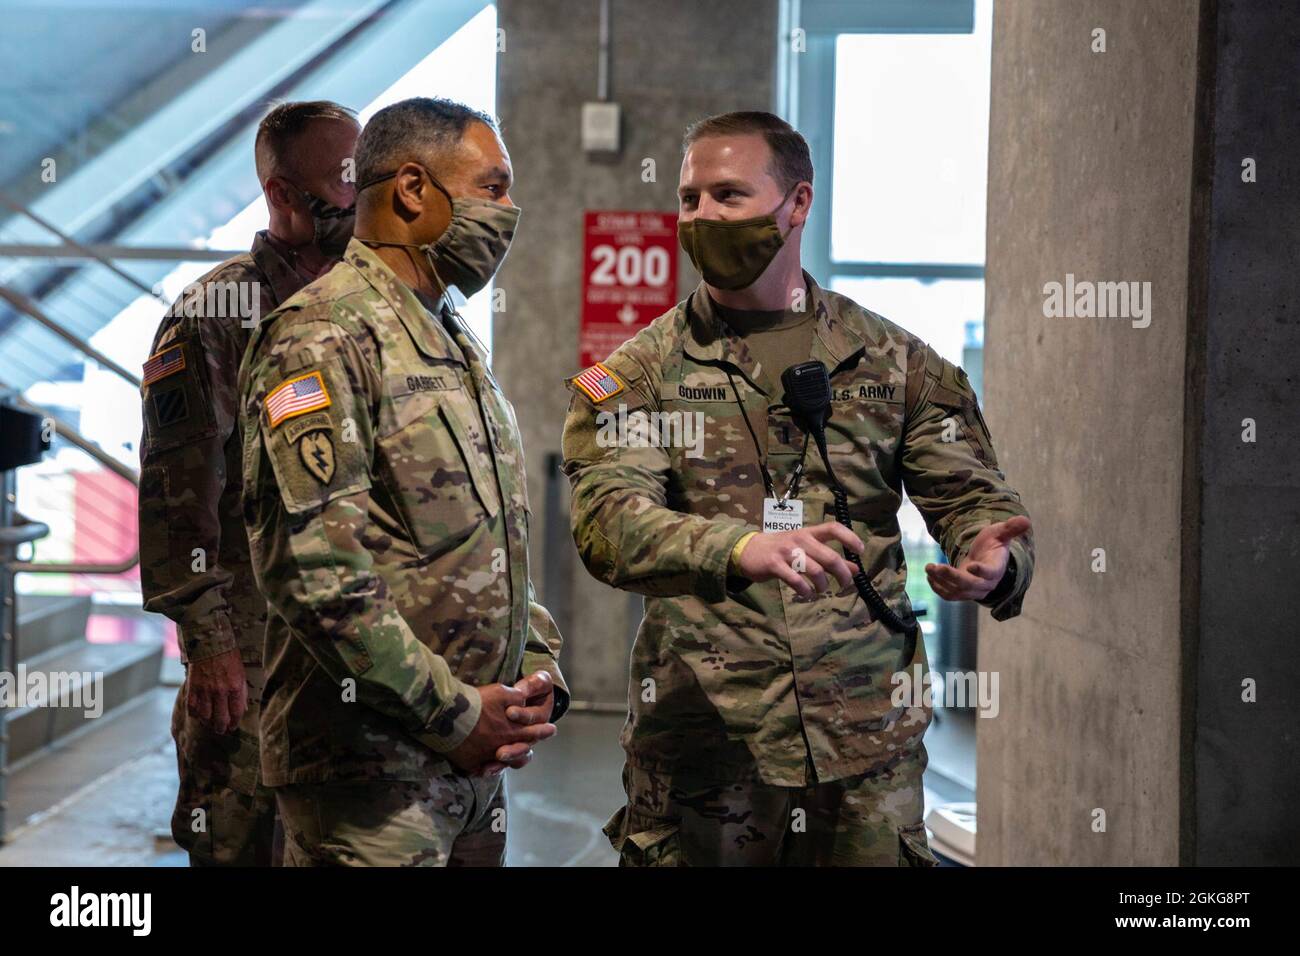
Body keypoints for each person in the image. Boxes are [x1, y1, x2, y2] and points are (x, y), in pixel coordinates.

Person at [561, 110, 1034, 866]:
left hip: (866, 750)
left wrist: (993, 559)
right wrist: (742, 547)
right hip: (706, 749)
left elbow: (972, 498)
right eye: (690, 200)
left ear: (798, 203)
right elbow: (609, 525)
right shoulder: (633, 379)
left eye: (728, 196)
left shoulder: (896, 363)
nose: (702, 217)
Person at [238, 97, 567, 867]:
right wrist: (454, 714)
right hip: (369, 780)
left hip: (470, 768)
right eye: (494, 187)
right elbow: (316, 575)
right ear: (414, 190)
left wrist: (531, 665)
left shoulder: (447, 334)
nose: (510, 211)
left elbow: (476, 539)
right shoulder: (322, 335)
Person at [138, 99, 359, 866]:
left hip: (357, 648)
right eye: (343, 185)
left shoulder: (380, 309)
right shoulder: (213, 315)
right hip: (253, 654)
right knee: (238, 844)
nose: (361, 202)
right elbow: (175, 495)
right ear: (281, 197)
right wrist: (210, 648)